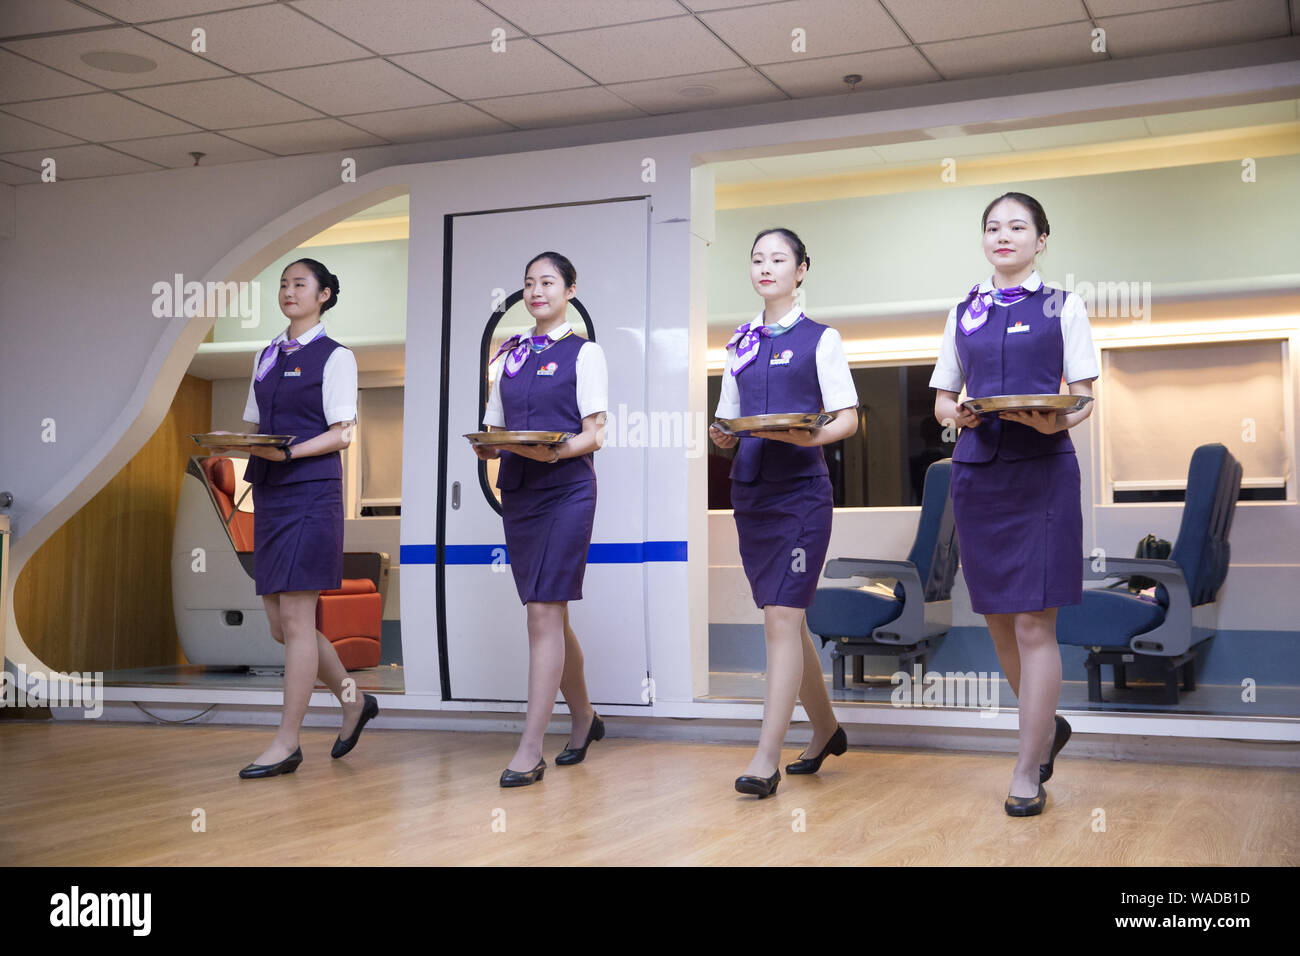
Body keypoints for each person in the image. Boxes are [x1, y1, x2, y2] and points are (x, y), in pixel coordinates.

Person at [929, 192, 1098, 816]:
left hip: (1042, 474)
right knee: (1000, 619)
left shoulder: (1064, 306)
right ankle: (1046, 729)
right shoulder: (964, 311)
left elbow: (1080, 398)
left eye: (1017, 226)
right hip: (978, 475)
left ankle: (1027, 766)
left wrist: (1057, 423)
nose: (1004, 236)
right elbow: (944, 400)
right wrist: (959, 413)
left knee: (1034, 622)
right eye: (993, 227)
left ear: (1040, 240)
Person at [708, 228, 859, 799]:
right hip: (752, 493)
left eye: (779, 259)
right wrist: (722, 436)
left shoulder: (823, 339)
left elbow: (846, 418)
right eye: (757, 259)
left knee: (780, 618)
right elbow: (727, 421)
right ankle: (825, 729)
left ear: (801, 270)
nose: (766, 267)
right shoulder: (739, 343)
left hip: (800, 495)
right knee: (786, 621)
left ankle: (765, 758)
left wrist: (806, 435)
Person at [214, 258, 378, 778]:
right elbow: (254, 425)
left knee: (297, 619)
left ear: (324, 295)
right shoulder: (265, 354)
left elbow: (341, 433)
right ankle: (354, 701)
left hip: (310, 493)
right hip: (271, 494)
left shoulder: (336, 357)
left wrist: (287, 455)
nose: (289, 291)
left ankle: (287, 741)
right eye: (283, 284)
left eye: (300, 284)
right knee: (280, 626)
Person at [473, 252, 608, 788]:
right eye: (529, 283)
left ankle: (530, 748)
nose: (536, 291)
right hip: (522, 493)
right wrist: (487, 449)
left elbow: (594, 434)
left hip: (567, 490)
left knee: (542, 613)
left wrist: (552, 455)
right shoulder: (508, 354)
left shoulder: (585, 352)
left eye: (547, 282)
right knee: (549, 614)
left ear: (570, 290)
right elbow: (494, 427)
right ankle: (584, 717)